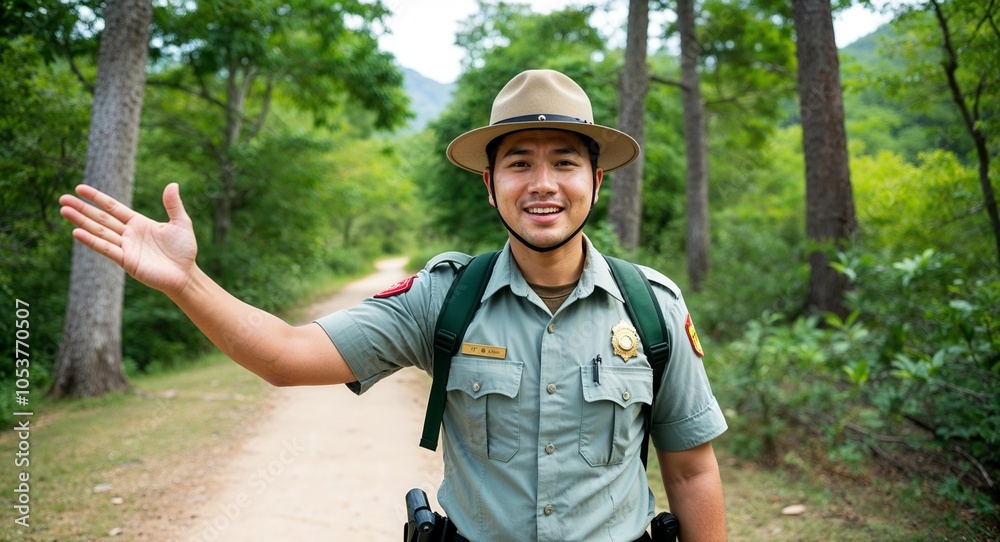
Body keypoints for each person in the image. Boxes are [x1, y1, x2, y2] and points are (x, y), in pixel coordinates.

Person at [59, 69, 728, 541]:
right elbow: (285, 357)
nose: (543, 184)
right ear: (488, 184)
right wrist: (185, 280)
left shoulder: (651, 308)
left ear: (597, 179)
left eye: (566, 162)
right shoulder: (443, 299)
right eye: (519, 163)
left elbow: (693, 470)